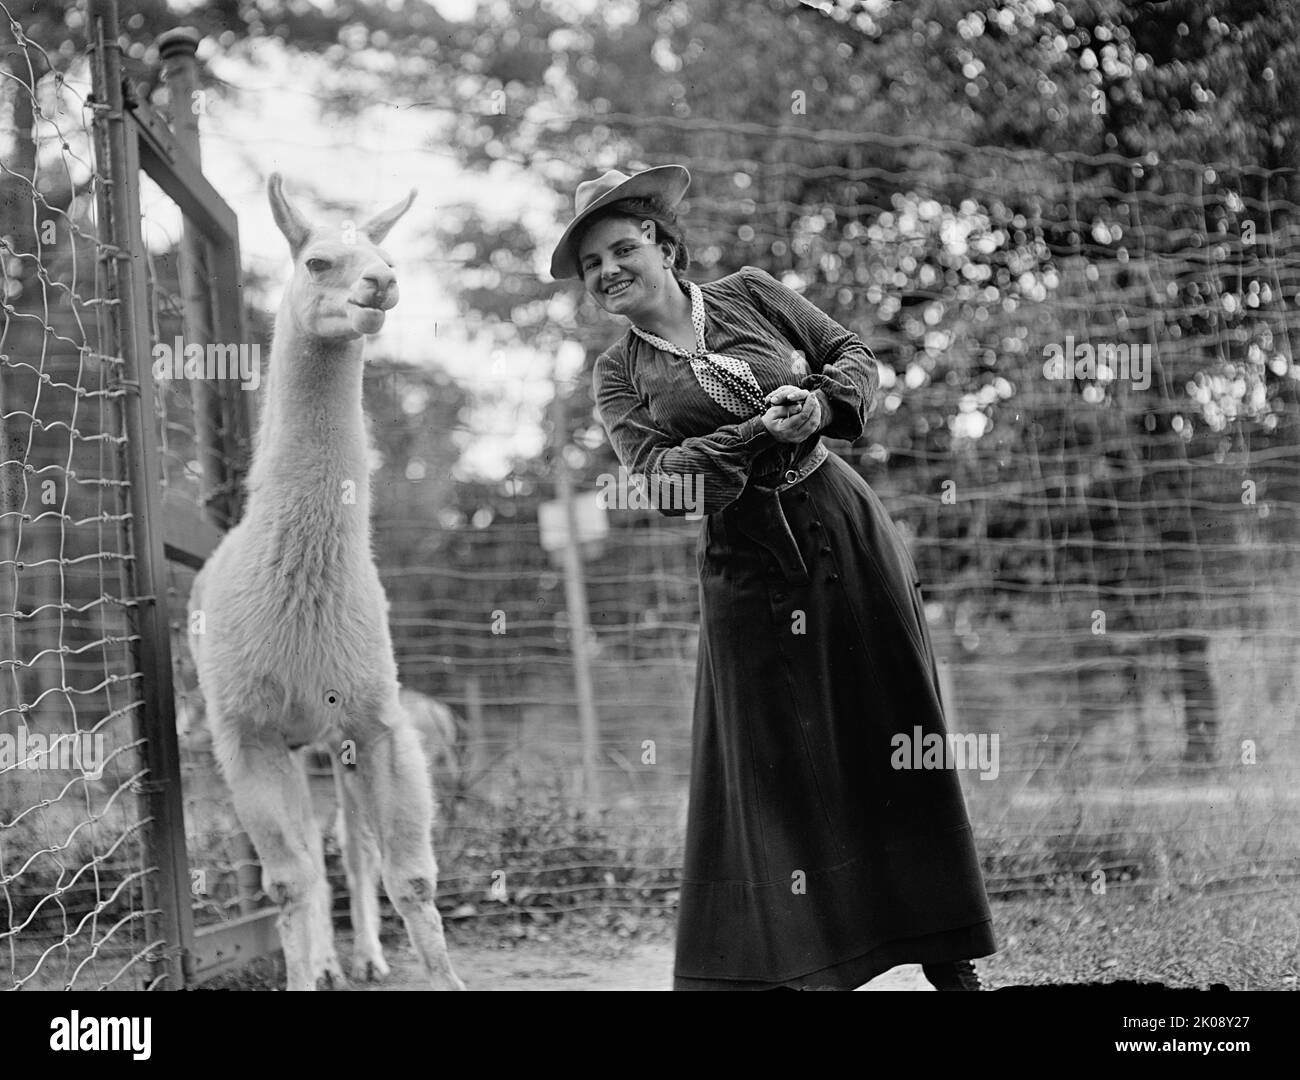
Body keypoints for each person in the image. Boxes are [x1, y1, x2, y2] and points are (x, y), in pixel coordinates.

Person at [550, 164, 996, 991]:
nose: (609, 270)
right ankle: (806, 964)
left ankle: (946, 950)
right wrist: (758, 430)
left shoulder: (752, 293)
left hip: (838, 523)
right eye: (591, 265)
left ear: (662, 242)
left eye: (622, 247)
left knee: (894, 725)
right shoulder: (618, 376)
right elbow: (663, 483)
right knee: (771, 759)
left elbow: (849, 352)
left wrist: (821, 407)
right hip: (745, 563)